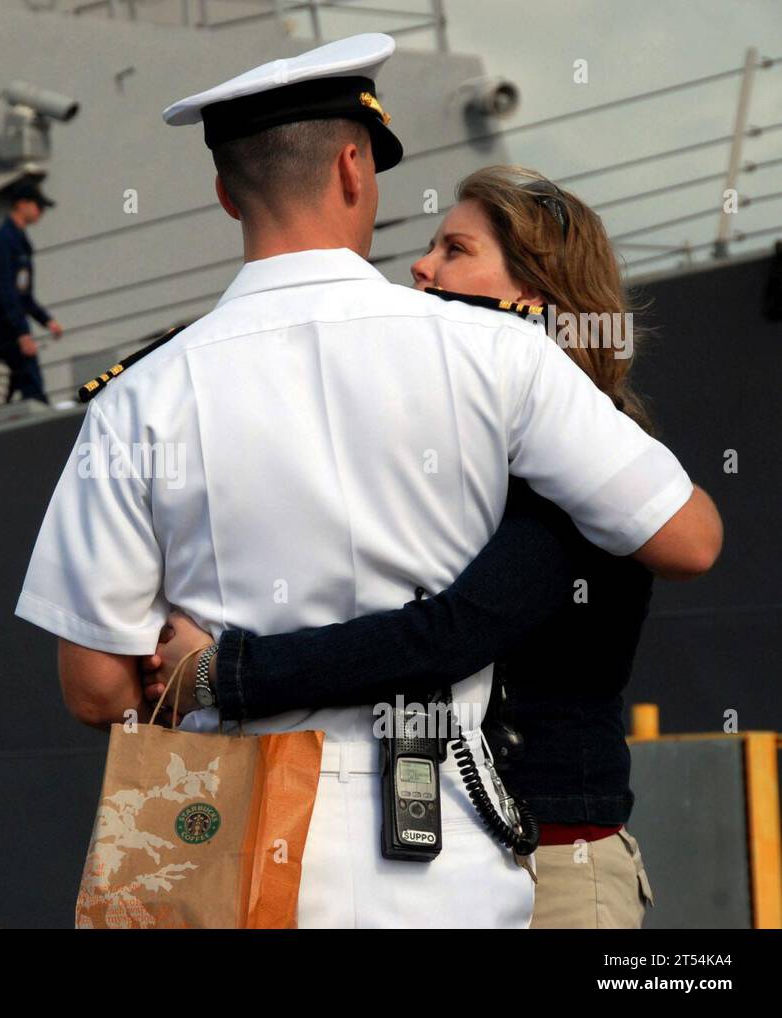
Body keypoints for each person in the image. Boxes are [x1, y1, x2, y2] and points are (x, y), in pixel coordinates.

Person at [14, 34, 721, 928]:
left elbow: (96, 691)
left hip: (219, 841)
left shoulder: (138, 397)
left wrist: (202, 664)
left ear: (227, 192)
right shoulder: (499, 353)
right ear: (355, 167)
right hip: (440, 852)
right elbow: (688, 536)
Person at [141, 164, 720, 929]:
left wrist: (221, 671)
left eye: (455, 249)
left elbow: (455, 631)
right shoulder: (450, 446)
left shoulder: (583, 459)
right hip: (452, 860)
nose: (421, 267)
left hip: (553, 867)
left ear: (535, 296)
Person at [0, 180, 63, 403]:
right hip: (5, 329)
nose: (41, 211)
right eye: (38, 205)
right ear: (22, 204)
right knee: (31, 385)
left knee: (12, 389)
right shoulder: (4, 241)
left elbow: (23, 296)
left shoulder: (19, 242)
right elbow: (4, 292)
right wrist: (22, 333)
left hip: (14, 327)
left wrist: (47, 321)